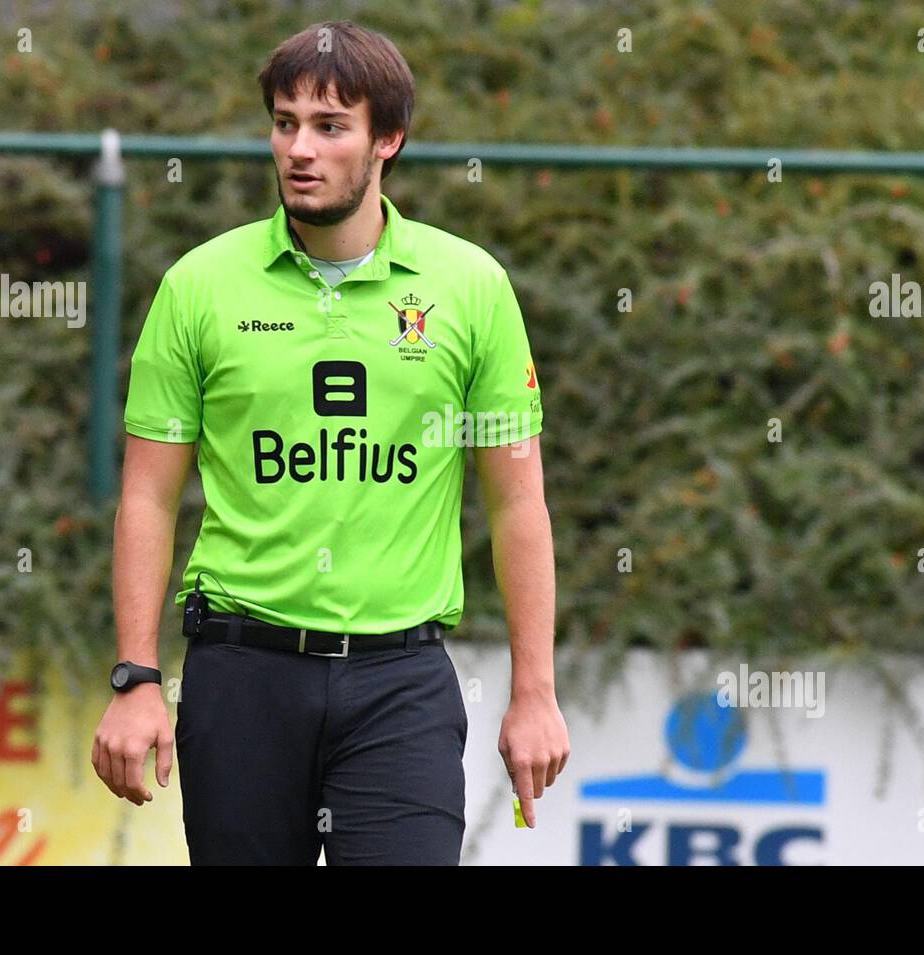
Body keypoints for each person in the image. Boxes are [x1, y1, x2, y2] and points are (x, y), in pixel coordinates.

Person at [91, 19, 569, 865]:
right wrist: (136, 677)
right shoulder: (200, 285)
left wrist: (534, 692)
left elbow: (517, 500)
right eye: (285, 123)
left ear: (388, 140)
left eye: (329, 126)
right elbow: (147, 496)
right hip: (241, 675)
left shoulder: (472, 287)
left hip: (402, 685)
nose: (298, 149)